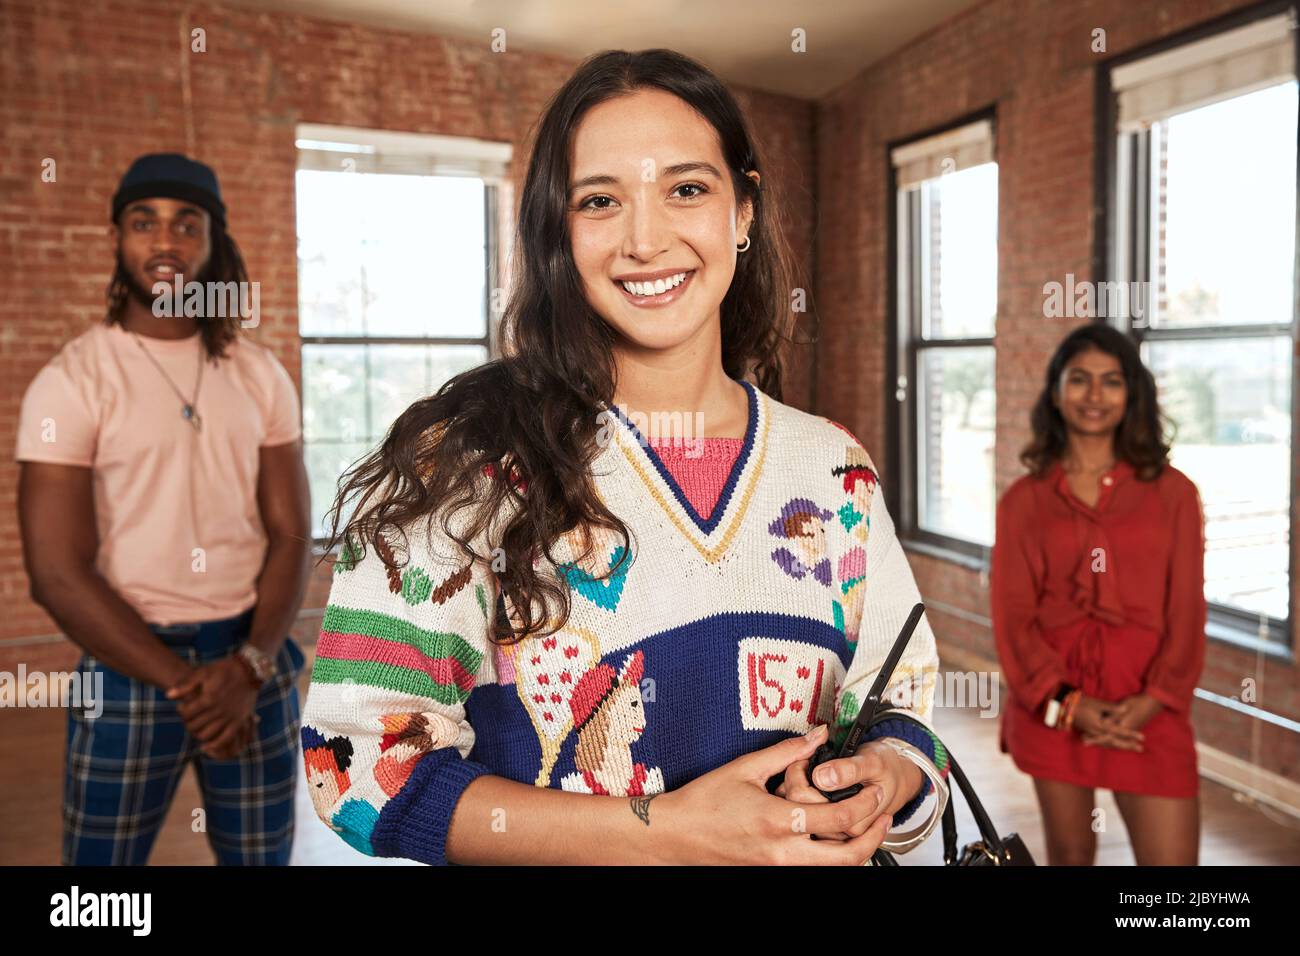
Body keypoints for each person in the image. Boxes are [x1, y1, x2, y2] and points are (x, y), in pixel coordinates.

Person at [300, 49, 951, 865]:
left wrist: (885, 777)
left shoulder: (833, 469)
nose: (647, 240)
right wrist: (667, 833)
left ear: (742, 212)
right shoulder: (464, 463)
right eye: (601, 201)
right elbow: (354, 766)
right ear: (558, 233)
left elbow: (903, 700)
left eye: (687, 189)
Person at [16, 153, 312, 865]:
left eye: (187, 223)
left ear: (214, 242)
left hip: (252, 657)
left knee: (261, 858)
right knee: (100, 883)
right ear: (117, 238)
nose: (166, 241)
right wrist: (189, 686)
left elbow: (292, 532)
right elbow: (56, 571)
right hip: (126, 666)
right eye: (144, 222)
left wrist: (246, 667)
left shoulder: (259, 374)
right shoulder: (73, 381)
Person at [991, 322, 1206, 866]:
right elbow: (1013, 620)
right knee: (1070, 858)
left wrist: (1153, 701)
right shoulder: (1023, 501)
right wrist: (1070, 708)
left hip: (1150, 713)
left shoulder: (1175, 494)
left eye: (1111, 381)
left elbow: (1186, 611)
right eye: (1079, 379)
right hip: (1057, 711)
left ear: (1132, 393)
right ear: (1057, 392)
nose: (1094, 395)